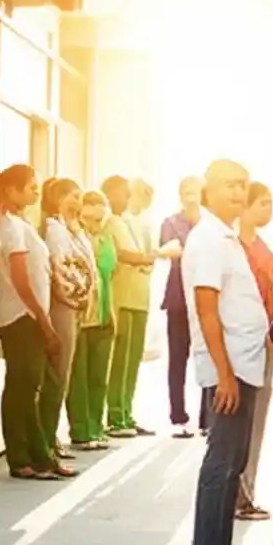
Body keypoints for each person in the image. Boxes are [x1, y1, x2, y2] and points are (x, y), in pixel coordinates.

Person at [185, 159, 269, 545]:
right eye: (229, 185)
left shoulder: (226, 237)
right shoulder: (209, 240)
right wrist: (224, 375)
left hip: (242, 366)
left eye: (243, 185)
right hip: (229, 370)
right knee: (221, 466)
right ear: (209, 190)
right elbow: (206, 309)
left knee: (232, 463)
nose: (238, 193)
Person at [0, 164, 74, 480]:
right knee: (23, 390)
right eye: (31, 186)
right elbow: (21, 281)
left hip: (26, 316)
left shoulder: (19, 225)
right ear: (10, 191)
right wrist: (44, 321)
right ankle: (26, 459)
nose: (36, 191)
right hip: (21, 318)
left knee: (25, 388)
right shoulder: (9, 228)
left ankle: (37, 457)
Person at [37, 178, 94, 460]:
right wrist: (76, 296)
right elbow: (60, 269)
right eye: (74, 196)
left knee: (65, 373)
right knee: (58, 373)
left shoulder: (71, 229)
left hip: (73, 307)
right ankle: (46, 438)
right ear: (59, 198)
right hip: (63, 306)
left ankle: (49, 436)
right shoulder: (54, 230)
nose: (79, 202)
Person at [235, 181, 273, 521]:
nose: (269, 209)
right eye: (263, 203)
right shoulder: (233, 247)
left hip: (266, 336)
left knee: (258, 419)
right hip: (243, 339)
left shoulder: (262, 247)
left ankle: (246, 490)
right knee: (242, 421)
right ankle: (238, 494)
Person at [102, 175, 157, 438]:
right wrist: (147, 258)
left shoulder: (131, 222)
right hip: (122, 299)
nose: (128, 198)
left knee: (133, 359)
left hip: (140, 297)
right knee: (120, 359)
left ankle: (126, 412)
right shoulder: (108, 222)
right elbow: (122, 254)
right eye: (125, 193)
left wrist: (147, 258)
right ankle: (115, 415)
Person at [66, 192, 115, 450]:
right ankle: (81, 430)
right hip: (81, 317)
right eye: (88, 218)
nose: (93, 225)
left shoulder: (106, 240)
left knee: (98, 377)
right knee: (79, 379)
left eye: (99, 219)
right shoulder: (75, 239)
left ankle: (96, 427)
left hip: (104, 314)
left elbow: (107, 274)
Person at [160, 176, 203, 438]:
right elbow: (170, 250)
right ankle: (178, 416)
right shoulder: (170, 223)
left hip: (205, 297)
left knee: (207, 357)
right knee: (178, 358)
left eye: (195, 192)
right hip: (178, 298)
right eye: (186, 192)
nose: (191, 196)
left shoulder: (211, 224)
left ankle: (207, 418)